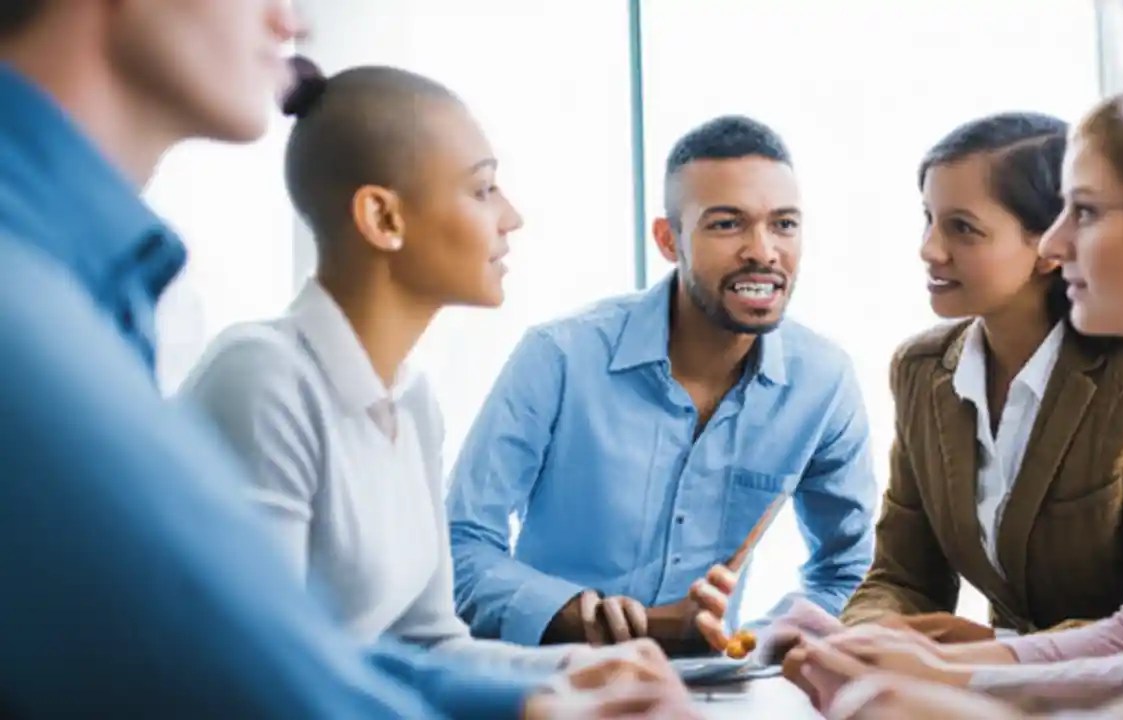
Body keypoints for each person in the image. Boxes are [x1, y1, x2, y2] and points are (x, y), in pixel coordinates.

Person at [0, 2, 692, 718]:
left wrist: (547, 687)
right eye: (482, 188)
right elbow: (241, 677)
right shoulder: (49, 304)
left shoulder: (105, 290)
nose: (290, 17)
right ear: (381, 218)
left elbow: (345, 646)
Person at [182, 55, 689, 709]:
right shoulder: (261, 377)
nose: (511, 217)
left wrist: (586, 668)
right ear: (383, 219)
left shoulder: (413, 402)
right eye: (483, 190)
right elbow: (262, 666)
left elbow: (430, 642)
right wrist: (522, 706)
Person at [769, 96, 1123, 714]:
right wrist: (911, 660)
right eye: (928, 219)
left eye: (1083, 211)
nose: (1058, 242)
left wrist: (961, 681)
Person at [446, 115, 878, 654]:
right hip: (551, 687)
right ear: (669, 240)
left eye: (784, 225)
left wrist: (748, 643)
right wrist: (582, 618)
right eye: (727, 224)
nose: (763, 250)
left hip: (713, 698)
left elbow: (850, 574)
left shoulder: (823, 383)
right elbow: (459, 547)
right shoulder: (559, 356)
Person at [822, 112, 1123, 645]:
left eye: (962, 228)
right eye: (929, 217)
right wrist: (869, 638)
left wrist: (995, 655)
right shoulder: (921, 370)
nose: (929, 248)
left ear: (1048, 245)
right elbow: (902, 577)